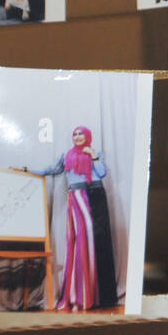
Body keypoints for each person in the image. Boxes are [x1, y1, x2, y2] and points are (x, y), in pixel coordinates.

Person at [22, 126, 119, 311]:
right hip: (77, 198)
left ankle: (97, 295)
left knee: (94, 243)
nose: (77, 136)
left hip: (95, 197)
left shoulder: (94, 153)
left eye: (81, 133)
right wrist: (27, 169)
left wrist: (93, 156)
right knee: (79, 243)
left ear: (87, 136)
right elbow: (50, 170)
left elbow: (102, 173)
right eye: (74, 134)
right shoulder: (66, 156)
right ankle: (79, 295)